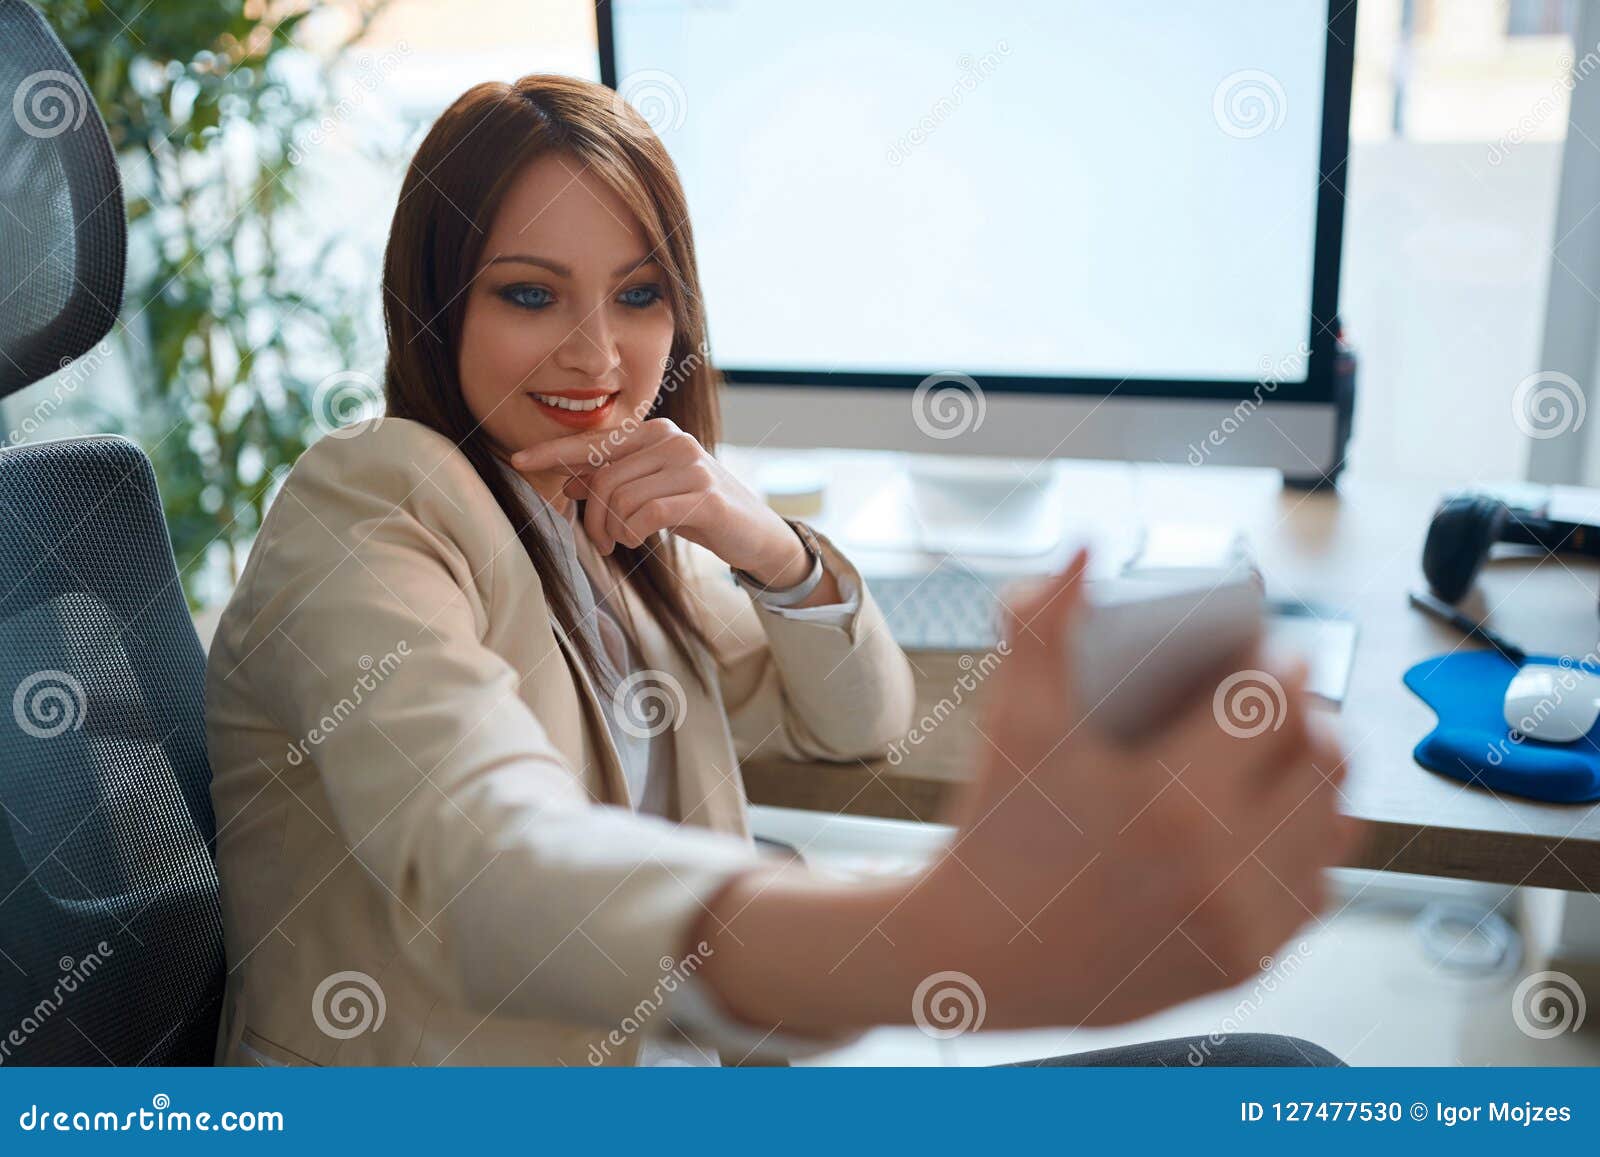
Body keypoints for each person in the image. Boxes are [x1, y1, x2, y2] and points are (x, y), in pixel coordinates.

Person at [203, 74, 1360, 1068]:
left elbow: (861, 718)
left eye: (639, 294)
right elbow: (487, 853)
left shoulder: (595, 521)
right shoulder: (373, 505)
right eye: (528, 293)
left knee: (1282, 1069)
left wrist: (773, 547)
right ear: (435, 300)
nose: (599, 354)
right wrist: (926, 936)